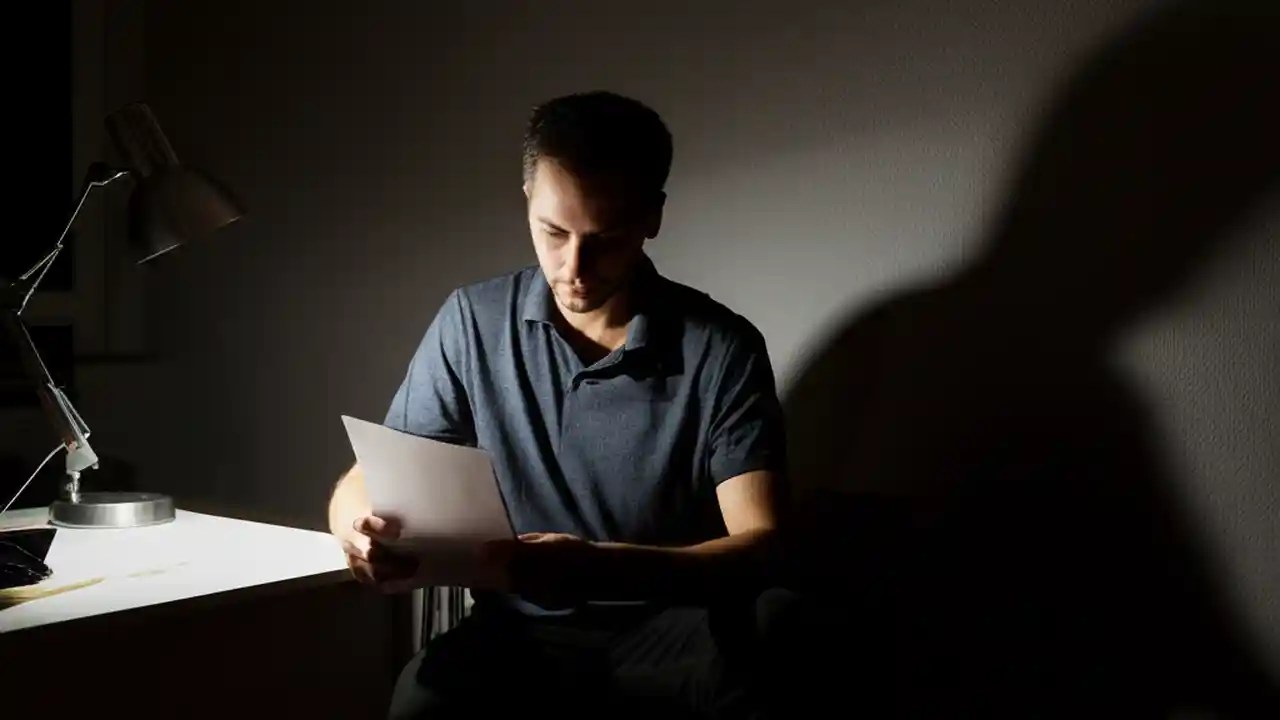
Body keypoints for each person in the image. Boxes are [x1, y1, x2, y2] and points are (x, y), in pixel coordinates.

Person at [327, 91, 787, 719]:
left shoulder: (722, 347)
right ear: (527, 202)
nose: (574, 267)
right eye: (552, 232)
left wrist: (601, 569)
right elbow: (369, 477)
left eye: (605, 239)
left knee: (781, 632)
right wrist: (354, 529)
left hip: (674, 630)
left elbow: (763, 544)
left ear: (652, 218)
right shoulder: (472, 321)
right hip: (517, 632)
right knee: (421, 702)